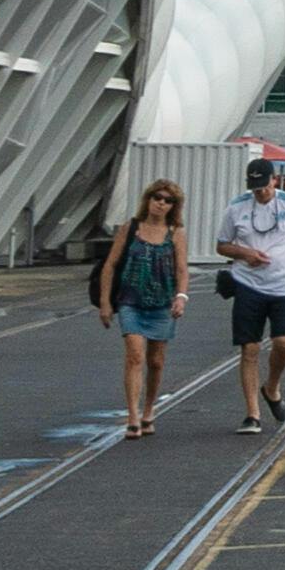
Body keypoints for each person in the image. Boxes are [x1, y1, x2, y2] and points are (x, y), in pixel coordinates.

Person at [210, 167, 285, 430]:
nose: (261, 191)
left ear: (274, 180)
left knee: (284, 342)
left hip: (283, 285)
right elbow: (222, 245)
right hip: (247, 283)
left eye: (265, 185)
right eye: (256, 187)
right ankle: (252, 413)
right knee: (250, 348)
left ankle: (272, 387)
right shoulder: (237, 207)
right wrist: (245, 253)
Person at [101, 182, 189, 442]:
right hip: (131, 301)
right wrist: (106, 303)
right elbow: (110, 265)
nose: (161, 203)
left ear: (174, 206)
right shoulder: (131, 229)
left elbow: (182, 270)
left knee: (156, 361)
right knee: (134, 355)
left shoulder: (175, 233)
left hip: (162, 303)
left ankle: (149, 409)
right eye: (157, 197)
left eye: (168, 200)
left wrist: (181, 298)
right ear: (147, 199)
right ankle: (132, 416)